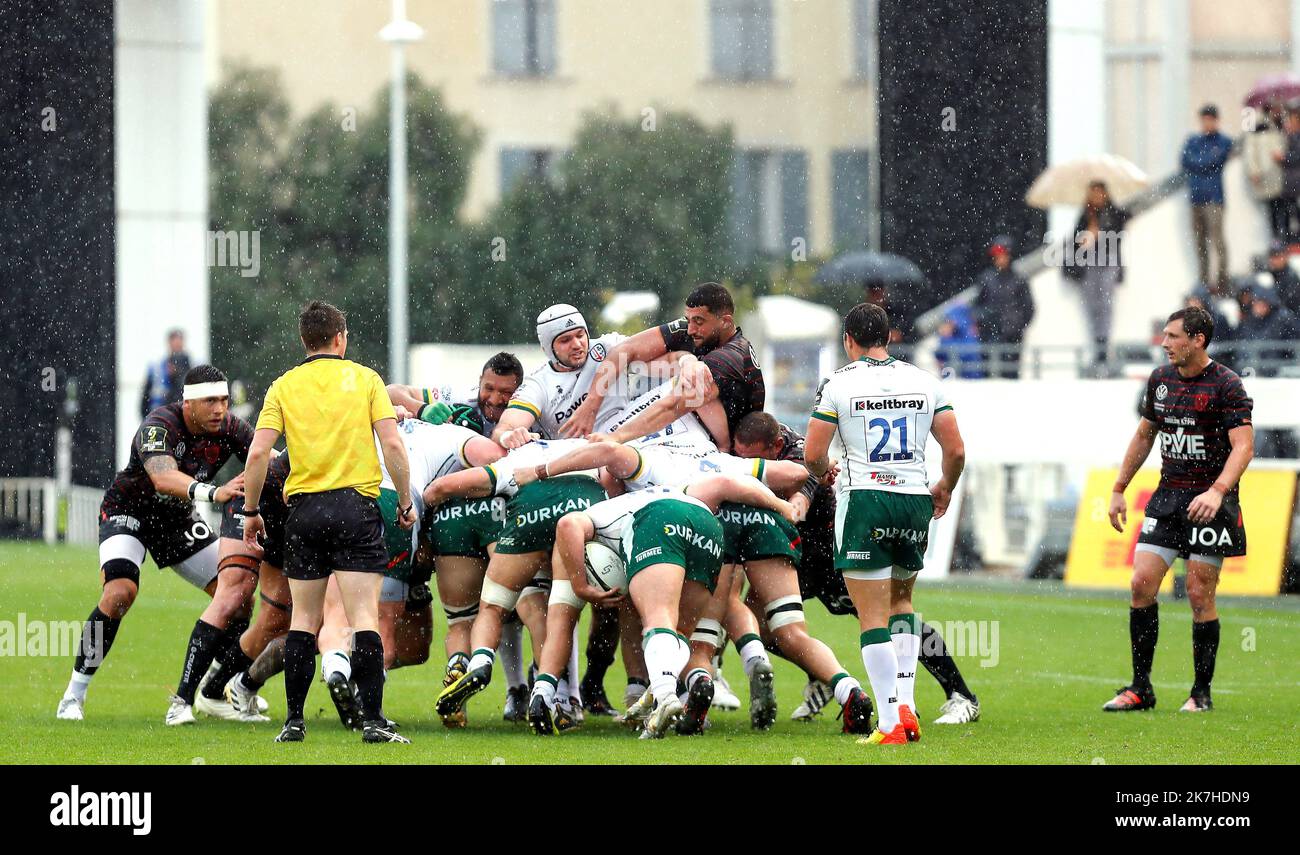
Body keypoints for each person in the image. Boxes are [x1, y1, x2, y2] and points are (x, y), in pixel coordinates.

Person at [731, 412, 982, 726]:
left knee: (889, 616)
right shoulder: (743, 448)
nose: (746, 464)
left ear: (776, 445)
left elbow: (810, 475)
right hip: (791, 556)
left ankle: (961, 695)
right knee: (757, 625)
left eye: (752, 458)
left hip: (829, 554)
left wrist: (800, 501)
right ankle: (823, 677)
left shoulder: (797, 450)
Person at [241, 300, 416, 744]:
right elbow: (393, 444)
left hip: (304, 512)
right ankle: (374, 722)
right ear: (341, 338)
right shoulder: (365, 379)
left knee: (303, 620)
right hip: (355, 509)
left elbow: (259, 453)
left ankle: (293, 722)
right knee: (363, 620)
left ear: (304, 341)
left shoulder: (284, 385)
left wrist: (251, 510)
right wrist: (404, 500)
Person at [803, 303, 967, 747]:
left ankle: (892, 722)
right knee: (903, 603)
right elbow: (955, 451)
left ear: (848, 340)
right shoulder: (923, 381)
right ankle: (907, 707)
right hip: (914, 501)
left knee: (870, 616)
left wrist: (823, 472)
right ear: (890, 336)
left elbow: (813, 452)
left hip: (866, 502)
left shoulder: (839, 383)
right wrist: (944, 487)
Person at [56, 365, 251, 722]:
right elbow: (162, 478)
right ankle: (74, 694)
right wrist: (214, 492)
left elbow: (264, 458)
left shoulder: (231, 427)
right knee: (119, 595)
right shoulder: (159, 425)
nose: (220, 409)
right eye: (210, 401)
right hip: (128, 512)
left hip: (176, 522)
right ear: (189, 403)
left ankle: (214, 688)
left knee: (238, 599)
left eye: (223, 400)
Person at [1105, 307, 1254, 713]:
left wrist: (1218, 491)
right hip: (1168, 497)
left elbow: (1244, 446)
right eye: (1165, 336)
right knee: (1141, 584)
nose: (1165, 343)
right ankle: (1140, 688)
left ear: (1198, 340)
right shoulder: (1161, 380)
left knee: (1199, 594)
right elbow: (1144, 435)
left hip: (1211, 503)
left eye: (1173, 336)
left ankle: (1200, 693)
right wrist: (1119, 487)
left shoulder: (1227, 385)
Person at [561, 282, 763, 447]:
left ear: (726, 322)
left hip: (728, 448)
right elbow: (624, 351)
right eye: (688, 319)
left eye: (699, 322)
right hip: (688, 423)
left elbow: (672, 407)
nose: (690, 329)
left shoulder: (729, 357)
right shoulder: (691, 330)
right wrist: (590, 406)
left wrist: (616, 438)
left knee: (613, 466)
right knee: (675, 360)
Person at [1062, 180, 1129, 373]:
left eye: (1100, 193)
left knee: (1105, 303)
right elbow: (1075, 241)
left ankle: (1103, 346)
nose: (1097, 197)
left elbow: (1119, 229)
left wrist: (1100, 232)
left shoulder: (1112, 212)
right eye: (1094, 193)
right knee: (1093, 304)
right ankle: (1097, 344)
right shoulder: (1085, 214)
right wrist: (1085, 238)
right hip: (1089, 263)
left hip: (1108, 261)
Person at [387, 351, 524, 436]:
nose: (494, 400)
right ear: (480, 381)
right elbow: (390, 392)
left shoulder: (531, 407)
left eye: (505, 392)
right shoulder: (459, 397)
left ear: (519, 390)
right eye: (489, 388)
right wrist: (422, 409)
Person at [1180, 104, 1233, 292]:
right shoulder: (1193, 141)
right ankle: (1204, 281)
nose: (1207, 123)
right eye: (1204, 119)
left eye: (1210, 119)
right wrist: (1203, 162)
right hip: (1196, 198)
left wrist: (1200, 162)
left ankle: (1222, 281)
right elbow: (1185, 160)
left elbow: (1212, 160)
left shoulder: (1223, 141)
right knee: (1199, 242)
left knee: (1217, 240)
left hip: (1214, 198)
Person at [971, 235, 1035, 379]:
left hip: (1012, 336)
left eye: (1003, 255)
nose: (1000, 259)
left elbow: (1029, 308)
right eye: (997, 256)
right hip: (989, 334)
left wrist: (1017, 326)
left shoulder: (1019, 280)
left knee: (1010, 374)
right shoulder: (986, 279)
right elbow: (978, 306)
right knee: (986, 373)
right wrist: (985, 322)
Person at [1244, 102, 1287, 242]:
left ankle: (1285, 242)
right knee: (1273, 212)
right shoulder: (1259, 126)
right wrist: (1254, 171)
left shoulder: (1284, 125)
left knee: (1286, 211)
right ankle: (1277, 243)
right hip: (1267, 176)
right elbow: (1250, 151)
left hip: (1285, 177)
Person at [140, 329, 192, 417]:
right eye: (174, 343)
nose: (177, 346)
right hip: (161, 414)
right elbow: (146, 395)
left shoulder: (191, 367)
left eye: (179, 343)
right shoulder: (158, 369)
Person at [1276, 104, 1300, 243]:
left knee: (1295, 213)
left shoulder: (1296, 137)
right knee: (1288, 213)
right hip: (1289, 183)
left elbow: (1296, 156)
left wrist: (1284, 157)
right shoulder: (1288, 136)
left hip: (1295, 182)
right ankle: (1289, 239)